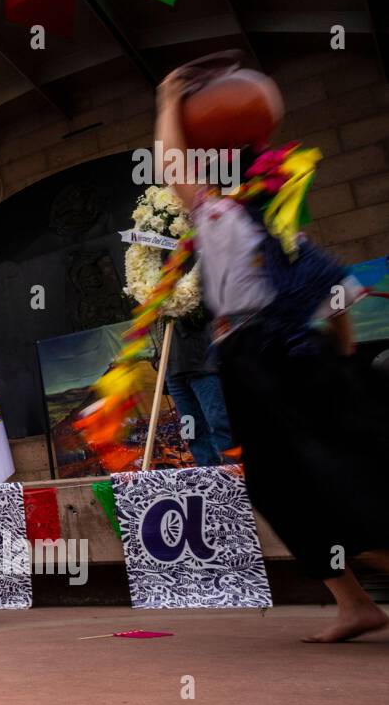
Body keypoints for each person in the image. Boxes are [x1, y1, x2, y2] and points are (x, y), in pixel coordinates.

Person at [156, 66, 389, 642]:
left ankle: (356, 601)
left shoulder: (222, 218)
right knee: (317, 478)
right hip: (306, 363)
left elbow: (170, 166)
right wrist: (342, 368)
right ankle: (356, 606)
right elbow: (338, 310)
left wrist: (165, 100)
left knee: (310, 483)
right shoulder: (287, 231)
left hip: (261, 365)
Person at [163, 305, 234, 466]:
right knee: (189, 427)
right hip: (173, 370)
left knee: (218, 419)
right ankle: (206, 468)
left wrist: (175, 303)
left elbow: (205, 315)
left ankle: (234, 468)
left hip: (202, 364)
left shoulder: (192, 284)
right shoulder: (150, 291)